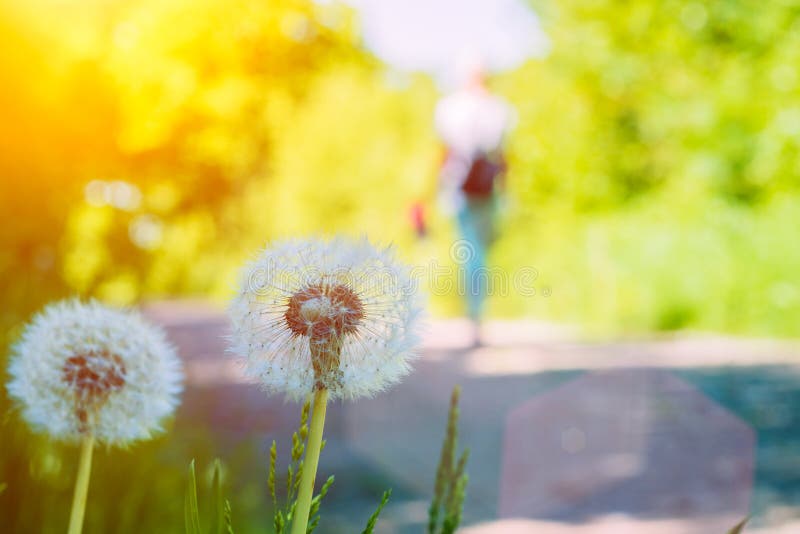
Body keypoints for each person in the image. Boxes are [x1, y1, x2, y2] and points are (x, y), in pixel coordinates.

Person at [435, 62, 514, 347]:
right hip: (484, 188)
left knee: (471, 251)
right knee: (478, 252)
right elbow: (503, 155)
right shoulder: (499, 109)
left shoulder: (450, 108)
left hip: (462, 188)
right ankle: (476, 315)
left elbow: (444, 153)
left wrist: (438, 189)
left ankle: (475, 315)